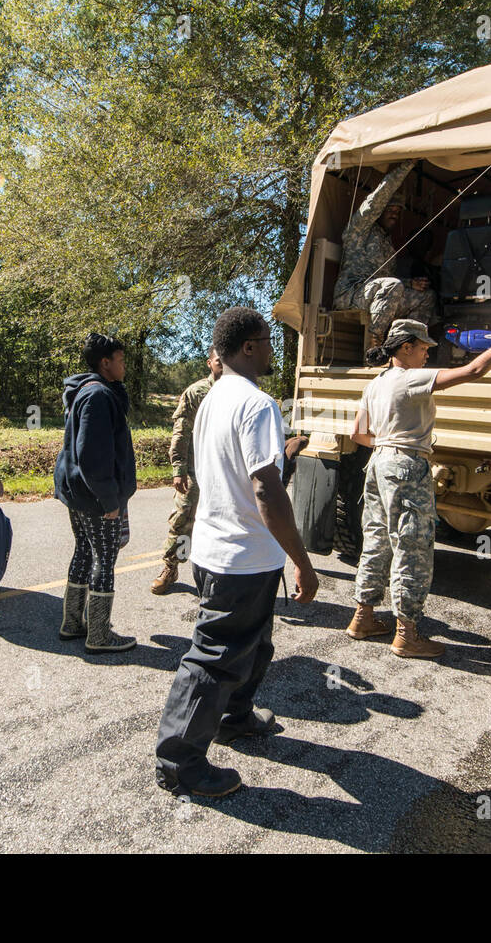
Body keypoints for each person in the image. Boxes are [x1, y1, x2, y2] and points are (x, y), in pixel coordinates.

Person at [154, 307, 318, 798]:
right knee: (215, 658)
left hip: (217, 548)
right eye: (268, 340)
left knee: (257, 643)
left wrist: (281, 455)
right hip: (239, 556)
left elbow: (234, 470)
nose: (273, 349)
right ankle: (179, 763)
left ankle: (235, 716)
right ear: (248, 347)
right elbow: (265, 491)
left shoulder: (215, 397)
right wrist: (304, 563)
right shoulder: (258, 403)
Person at [346, 310, 491, 657]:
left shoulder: (375, 383)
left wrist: (389, 443)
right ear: (407, 347)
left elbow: (357, 434)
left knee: (378, 539)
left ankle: (362, 617)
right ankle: (406, 634)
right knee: (413, 547)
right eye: (424, 347)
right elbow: (475, 370)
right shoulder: (410, 378)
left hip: (378, 462)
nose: (428, 352)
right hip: (406, 466)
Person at [54, 333, 139, 653]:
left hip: (77, 491)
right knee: (104, 560)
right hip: (94, 496)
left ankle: (73, 623)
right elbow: (91, 455)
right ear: (105, 363)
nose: (124, 365)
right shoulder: (98, 397)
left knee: (84, 552)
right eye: (120, 359)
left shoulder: (89, 391)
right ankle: (100, 635)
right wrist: (109, 500)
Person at [332, 159, 437, 347]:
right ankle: (374, 346)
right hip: (352, 294)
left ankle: (405, 344)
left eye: (398, 211)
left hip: (379, 293)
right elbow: (377, 199)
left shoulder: (388, 244)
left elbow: (388, 280)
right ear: (380, 210)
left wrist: (410, 284)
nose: (394, 214)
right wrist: (406, 166)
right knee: (392, 286)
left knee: (426, 296)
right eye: (390, 209)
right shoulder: (360, 230)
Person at [150, 348, 224, 595]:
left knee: (221, 523)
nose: (223, 366)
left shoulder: (238, 392)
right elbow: (181, 432)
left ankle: (217, 574)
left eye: (227, 361)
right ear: (209, 364)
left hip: (224, 473)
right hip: (195, 469)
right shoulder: (197, 393)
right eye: (218, 361)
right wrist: (179, 468)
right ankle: (171, 567)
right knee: (183, 519)